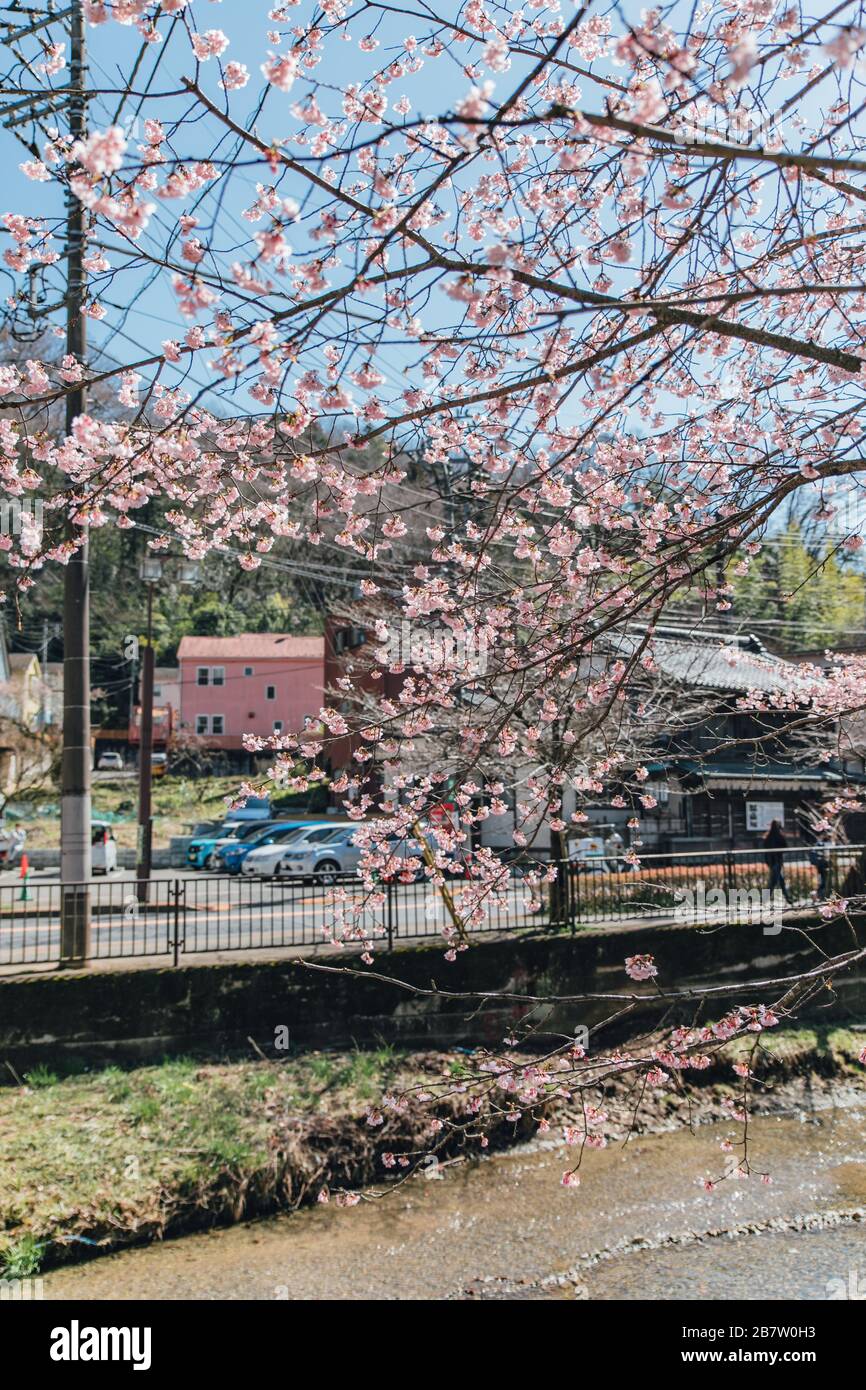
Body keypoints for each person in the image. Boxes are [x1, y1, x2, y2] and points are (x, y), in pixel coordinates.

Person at [763, 820, 792, 905]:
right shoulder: (780, 836)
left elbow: (765, 847)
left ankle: (787, 898)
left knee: (777, 879)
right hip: (777, 861)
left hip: (770, 861)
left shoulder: (768, 836)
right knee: (775, 880)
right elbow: (785, 846)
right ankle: (787, 898)